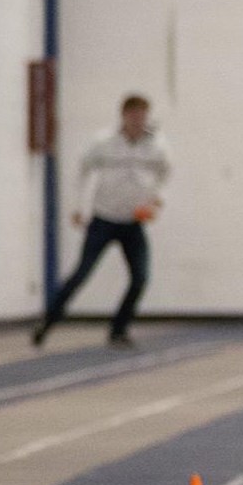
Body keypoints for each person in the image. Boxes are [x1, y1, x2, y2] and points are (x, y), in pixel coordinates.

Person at [32, 94, 170, 350]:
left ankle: (118, 330)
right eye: (135, 115)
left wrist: (156, 200)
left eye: (143, 116)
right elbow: (81, 171)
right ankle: (48, 322)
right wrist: (78, 206)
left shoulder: (155, 145)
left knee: (140, 278)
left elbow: (165, 173)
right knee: (81, 274)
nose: (139, 120)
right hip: (103, 220)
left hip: (133, 223)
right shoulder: (104, 143)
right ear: (124, 115)